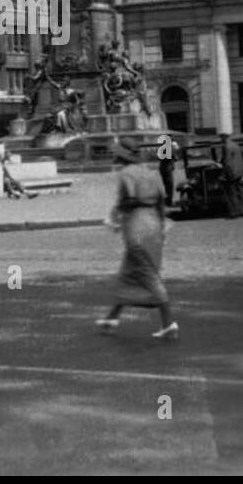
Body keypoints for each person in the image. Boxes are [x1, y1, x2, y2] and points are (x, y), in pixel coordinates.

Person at [96, 142, 178, 341]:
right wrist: (161, 228)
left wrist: (115, 214)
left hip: (136, 225)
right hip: (154, 225)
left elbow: (129, 200)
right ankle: (112, 318)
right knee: (129, 271)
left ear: (121, 158)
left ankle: (168, 323)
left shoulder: (126, 174)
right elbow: (161, 204)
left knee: (147, 273)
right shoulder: (152, 174)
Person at [221, 135, 243, 217]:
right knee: (241, 191)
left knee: (232, 193)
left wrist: (226, 173)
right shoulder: (236, 145)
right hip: (240, 171)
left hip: (232, 173)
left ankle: (235, 212)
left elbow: (228, 162)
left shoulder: (227, 147)